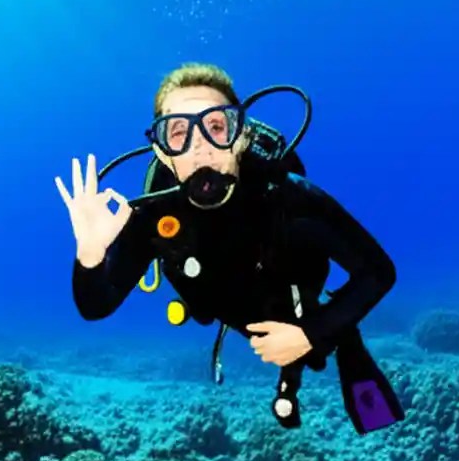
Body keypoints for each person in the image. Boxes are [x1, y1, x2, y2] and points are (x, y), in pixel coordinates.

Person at [55, 62, 404, 432]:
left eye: (216, 126)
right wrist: (90, 256)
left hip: (294, 303)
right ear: (161, 152)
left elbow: (379, 272)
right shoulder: (153, 218)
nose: (201, 147)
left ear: (241, 137)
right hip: (226, 307)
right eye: (178, 133)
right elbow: (95, 306)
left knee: (328, 343)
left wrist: (310, 334)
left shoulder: (288, 198)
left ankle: (340, 345)